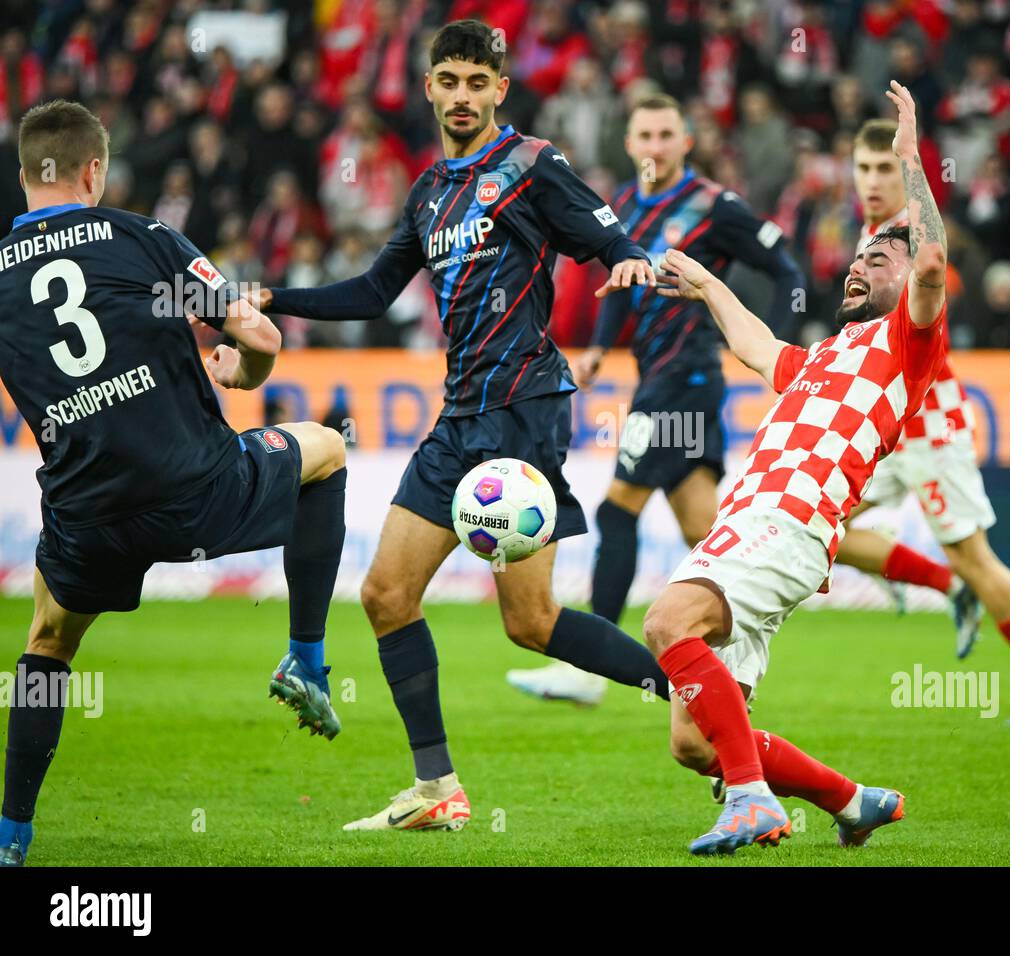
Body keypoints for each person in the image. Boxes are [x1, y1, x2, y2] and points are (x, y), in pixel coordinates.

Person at [253, 20, 665, 833]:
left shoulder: (530, 166)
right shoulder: (429, 192)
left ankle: (696, 691)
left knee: (531, 623)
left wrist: (631, 257)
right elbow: (373, 294)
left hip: (522, 410)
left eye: (480, 82)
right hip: (459, 416)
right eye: (450, 80)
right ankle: (437, 788)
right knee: (384, 594)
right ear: (432, 87)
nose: (464, 95)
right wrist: (278, 299)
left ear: (500, 89)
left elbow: (605, 231)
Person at [0, 100, 348, 867]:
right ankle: (306, 656)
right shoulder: (138, 235)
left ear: (26, 175)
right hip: (200, 487)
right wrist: (241, 372)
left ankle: (12, 838)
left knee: (47, 648)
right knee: (326, 451)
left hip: (88, 516)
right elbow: (259, 334)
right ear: (95, 171)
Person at [642, 83, 939, 855]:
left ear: (908, 283)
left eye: (879, 258)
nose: (858, 265)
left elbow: (932, 260)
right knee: (692, 740)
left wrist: (911, 164)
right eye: (857, 256)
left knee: (667, 622)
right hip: (750, 528)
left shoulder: (906, 348)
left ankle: (751, 801)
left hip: (789, 525)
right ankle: (854, 800)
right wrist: (708, 283)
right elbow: (755, 345)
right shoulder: (822, 357)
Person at [505, 91, 805, 705]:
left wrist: (776, 350)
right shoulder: (625, 212)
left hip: (685, 384)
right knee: (705, 531)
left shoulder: (713, 206)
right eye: (645, 135)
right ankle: (733, 669)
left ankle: (588, 674)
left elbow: (789, 272)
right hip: (659, 382)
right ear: (630, 142)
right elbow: (621, 284)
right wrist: (598, 350)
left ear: (686, 141)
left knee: (618, 511)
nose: (654, 146)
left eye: (666, 134)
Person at [836, 118, 1010, 727]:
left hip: (932, 430)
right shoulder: (872, 235)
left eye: (884, 169)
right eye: (863, 169)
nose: (871, 181)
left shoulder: (913, 238)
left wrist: (912, 158)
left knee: (974, 555)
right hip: (892, 427)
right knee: (823, 523)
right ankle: (941, 585)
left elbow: (932, 280)